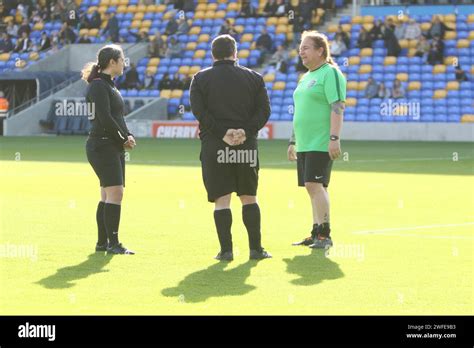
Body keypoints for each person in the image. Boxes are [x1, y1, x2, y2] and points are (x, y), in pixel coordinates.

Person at [190, 34, 272, 261]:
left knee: (222, 198)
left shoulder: (200, 79)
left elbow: (199, 112)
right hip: (246, 145)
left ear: (212, 54)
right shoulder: (255, 78)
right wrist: (245, 131)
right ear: (235, 53)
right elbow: (264, 111)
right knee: (249, 196)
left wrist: (222, 133)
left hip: (215, 146)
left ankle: (226, 251)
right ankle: (256, 249)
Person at [288, 31, 346, 249]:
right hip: (304, 142)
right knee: (312, 187)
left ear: (320, 50)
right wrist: (293, 141)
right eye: (300, 48)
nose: (301, 52)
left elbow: (337, 106)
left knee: (315, 184)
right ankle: (315, 232)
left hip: (320, 141)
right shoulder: (305, 78)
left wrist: (334, 138)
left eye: (306, 47)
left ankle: (325, 235)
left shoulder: (329, 73)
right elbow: (300, 112)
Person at [81, 44, 136, 255]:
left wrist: (127, 134)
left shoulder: (109, 85)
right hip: (102, 145)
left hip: (111, 144)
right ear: (112, 62)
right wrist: (122, 138)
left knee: (107, 194)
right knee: (116, 193)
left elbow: (118, 117)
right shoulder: (98, 86)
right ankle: (114, 243)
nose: (124, 63)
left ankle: (102, 243)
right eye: (122, 60)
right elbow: (104, 118)